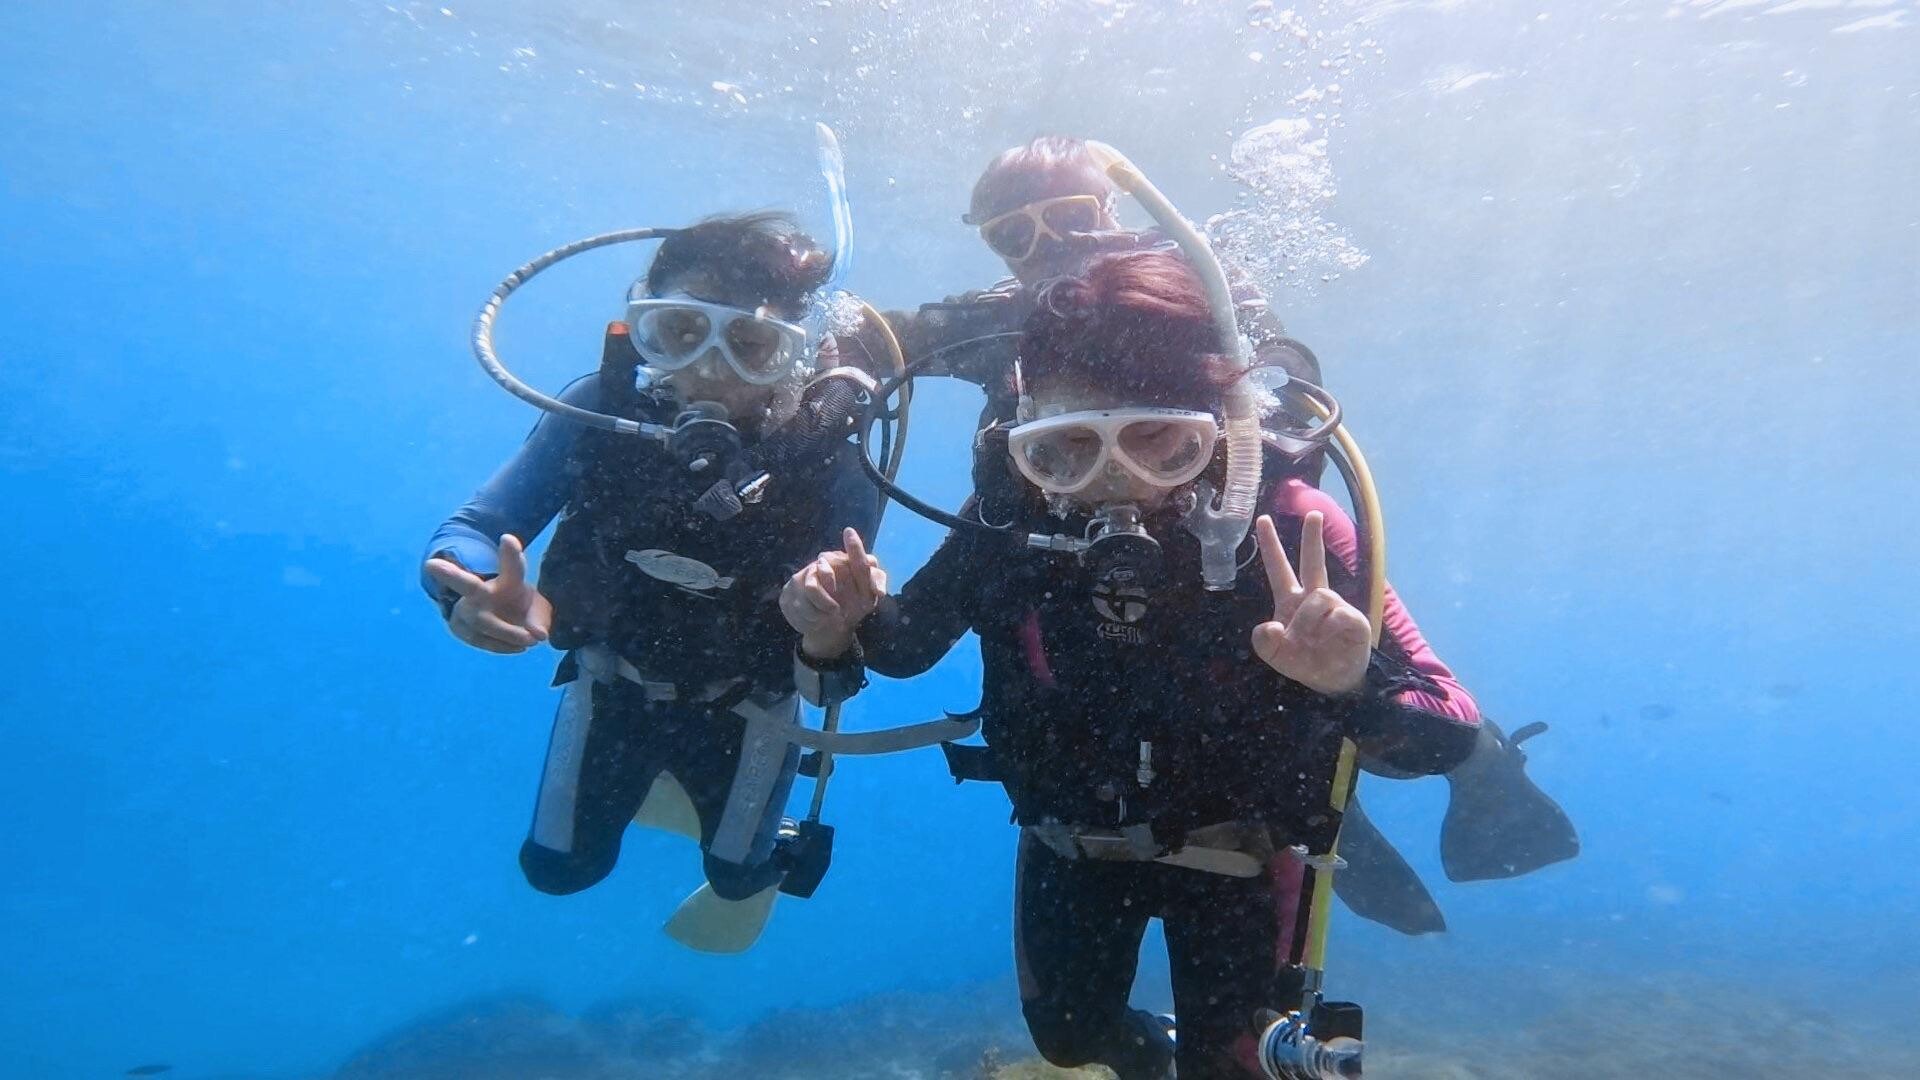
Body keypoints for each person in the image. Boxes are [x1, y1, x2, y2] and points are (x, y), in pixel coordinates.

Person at [841, 136, 1576, 932]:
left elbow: (1288, 374)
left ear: (1112, 209)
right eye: (1011, 234)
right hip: (1094, 700)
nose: (1043, 248)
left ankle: (1374, 773)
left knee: (1280, 670)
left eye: (1068, 217)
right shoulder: (999, 343)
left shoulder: (1211, 298)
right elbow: (879, 337)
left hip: (1227, 576)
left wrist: (1349, 683)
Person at [784, 251, 1480, 1079]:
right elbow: (904, 647)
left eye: (1161, 442)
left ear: (1223, 428)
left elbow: (1447, 731)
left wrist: (1350, 683)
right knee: (1068, 1044)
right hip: (1068, 844)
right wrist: (834, 627)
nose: (1116, 480)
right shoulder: (1007, 518)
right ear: (1023, 434)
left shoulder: (1294, 528)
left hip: (1246, 862)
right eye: (1066, 449)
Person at [420, 213, 881, 933]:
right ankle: (670, 790)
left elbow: (832, 679)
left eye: (751, 346)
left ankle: (741, 838)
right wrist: (466, 590)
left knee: (739, 880)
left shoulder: (830, 462)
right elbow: (473, 532)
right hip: (614, 682)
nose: (708, 371)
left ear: (796, 357)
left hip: (751, 705)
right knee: (555, 873)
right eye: (682, 333)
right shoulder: (599, 412)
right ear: (640, 325)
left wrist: (830, 629)